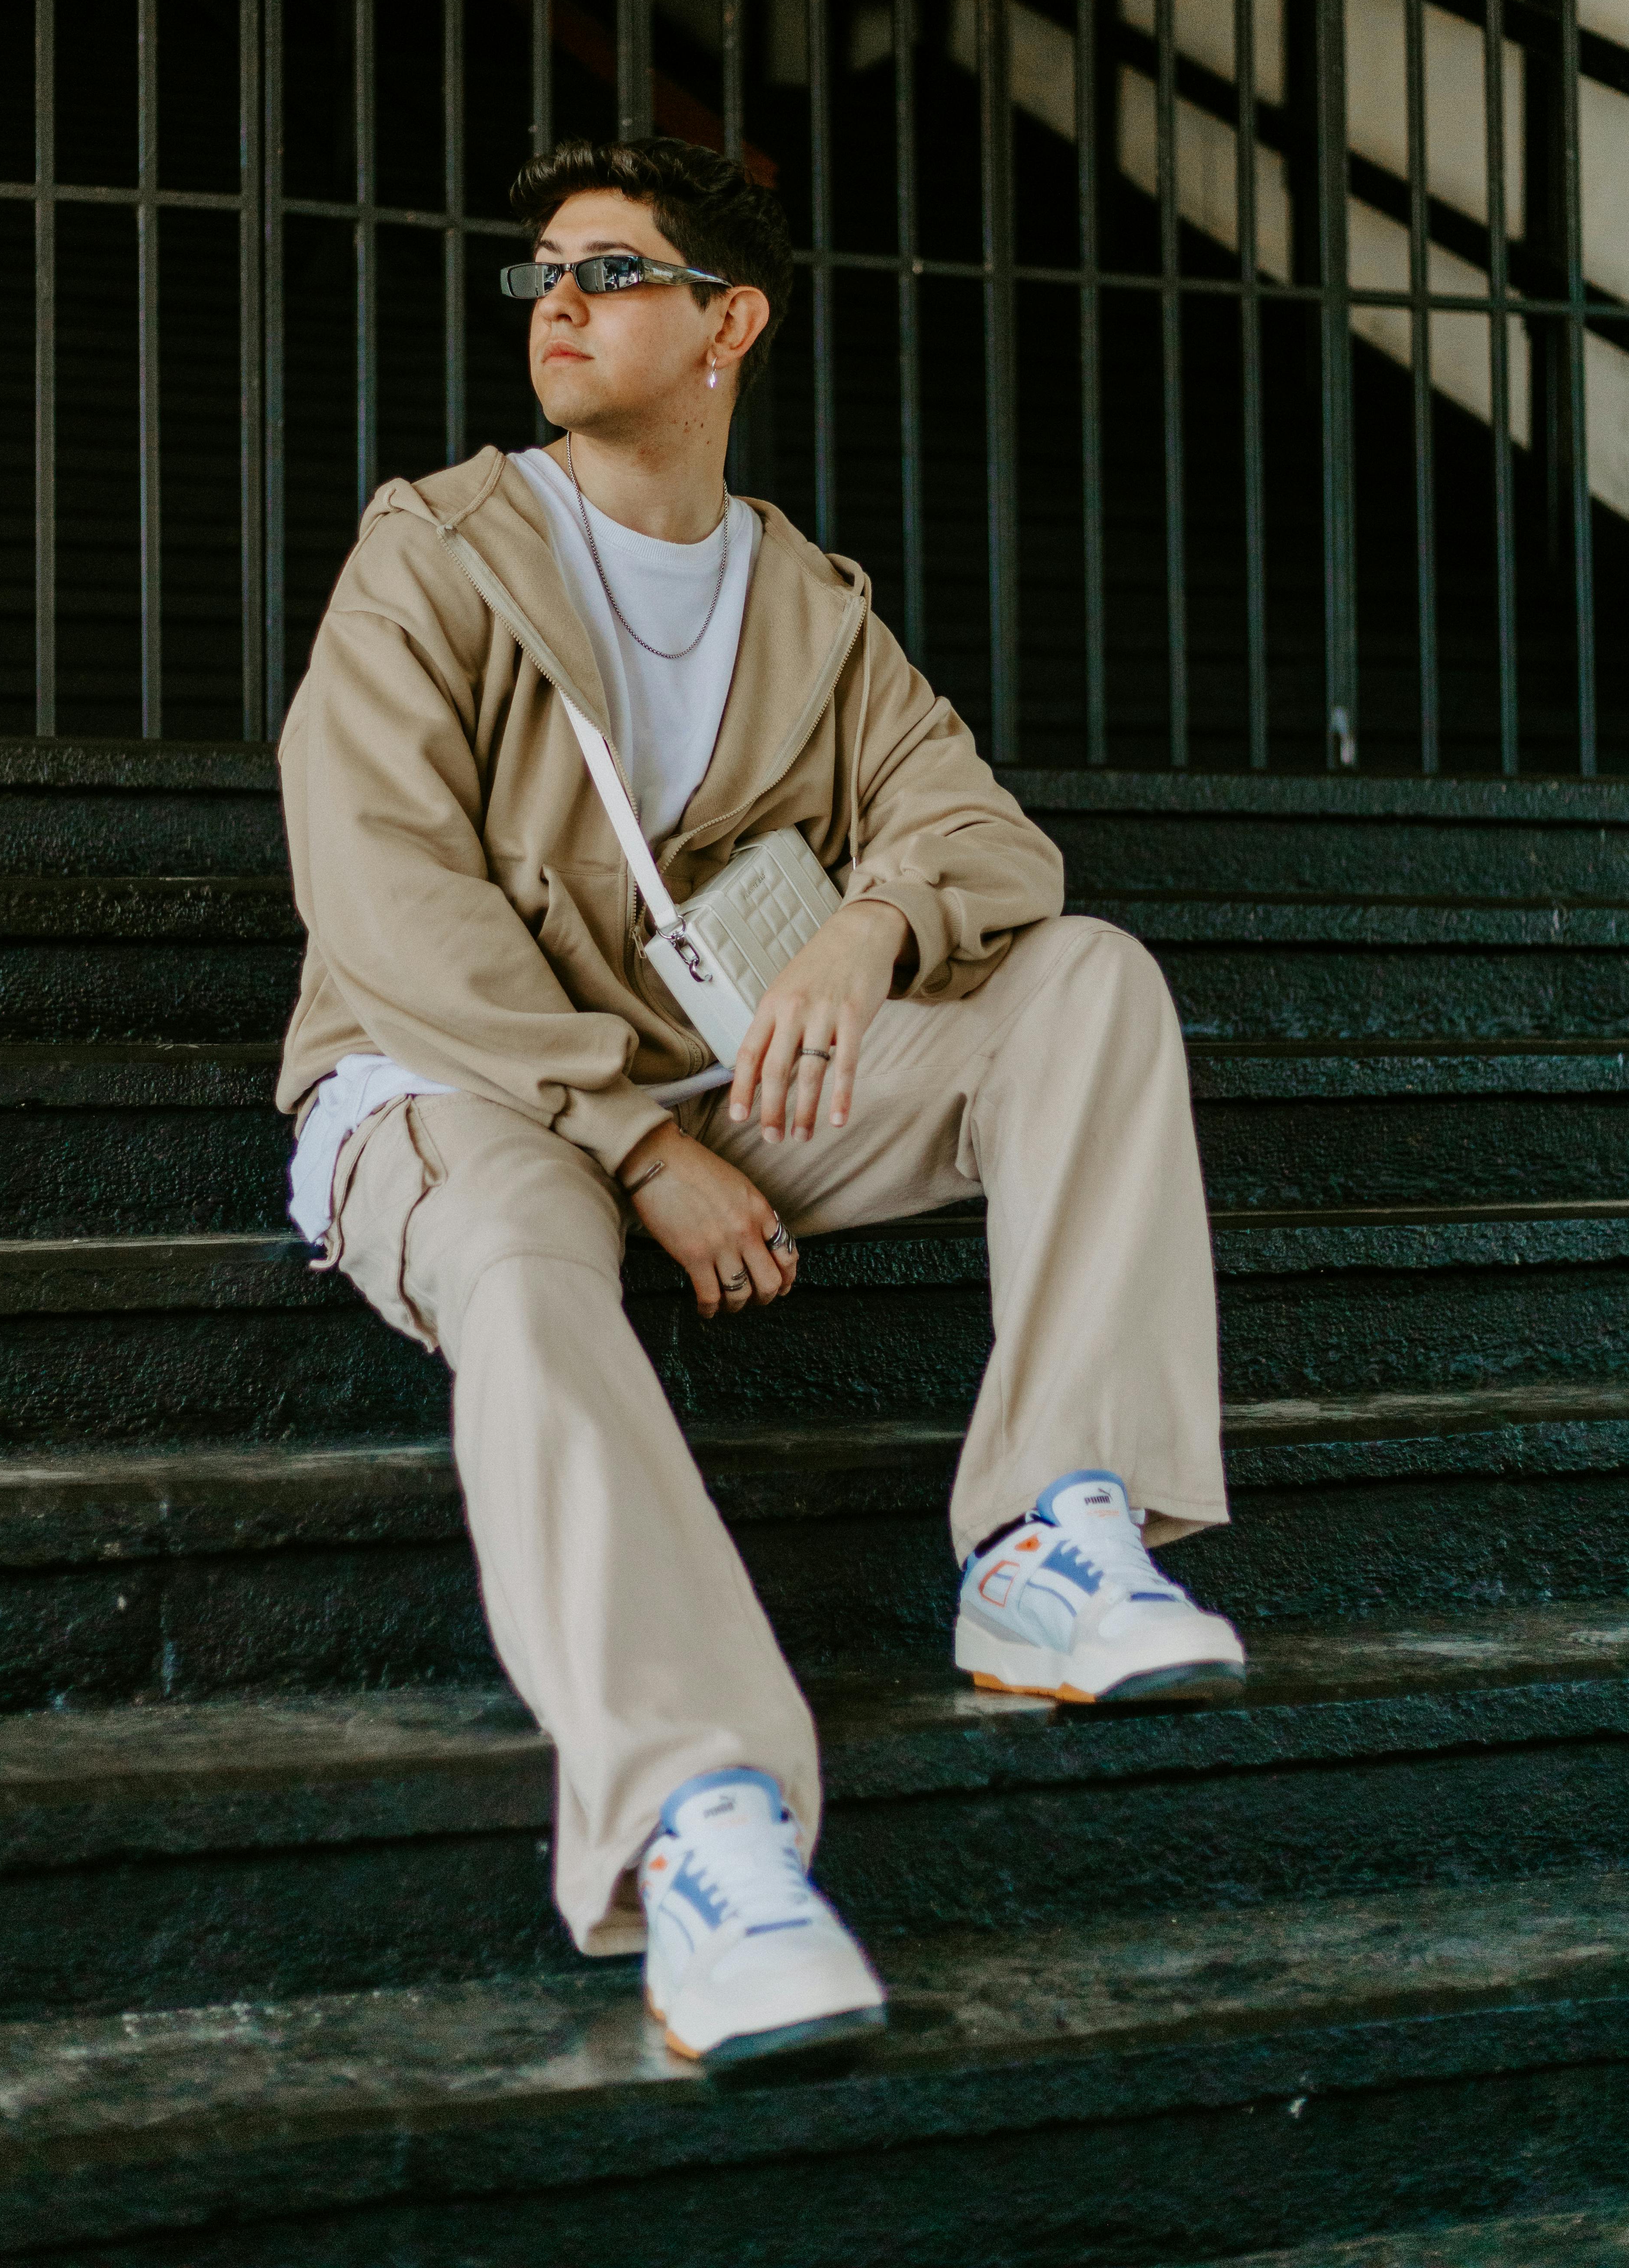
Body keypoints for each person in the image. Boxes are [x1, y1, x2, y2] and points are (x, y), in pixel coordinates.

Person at [276, 135, 1244, 2069]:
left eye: (611, 270)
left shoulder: (802, 600)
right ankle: (701, 1823)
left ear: (730, 323)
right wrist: (628, 1143)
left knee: (1087, 981)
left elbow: (976, 826)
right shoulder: (438, 555)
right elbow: (383, 894)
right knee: (527, 1274)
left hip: (733, 1073)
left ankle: (1054, 1540)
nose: (556, 303)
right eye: (542, 270)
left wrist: (867, 932)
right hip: (452, 1086)